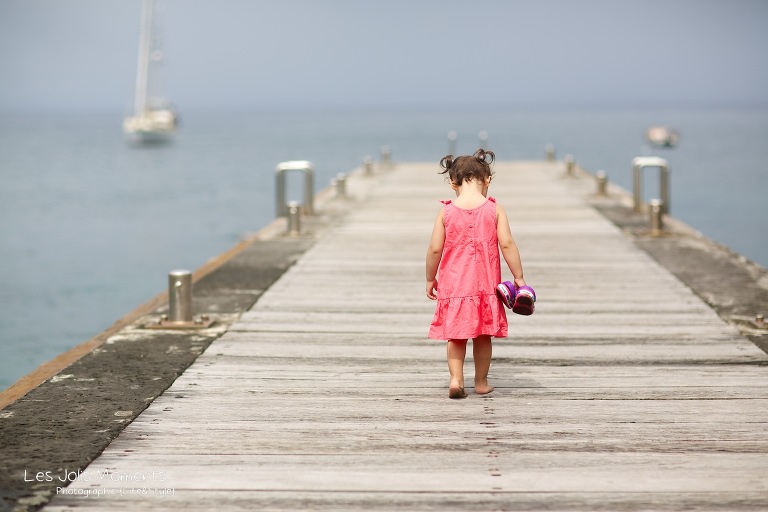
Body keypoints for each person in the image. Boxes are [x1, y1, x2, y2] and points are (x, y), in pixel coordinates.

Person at [425, 149, 527, 399]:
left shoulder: (446, 212)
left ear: (453, 183)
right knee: (483, 337)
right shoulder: (494, 209)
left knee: (456, 337)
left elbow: (435, 248)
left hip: (454, 286)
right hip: (485, 287)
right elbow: (507, 245)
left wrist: (430, 277)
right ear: (487, 180)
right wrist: (519, 278)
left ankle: (455, 380)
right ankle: (481, 382)